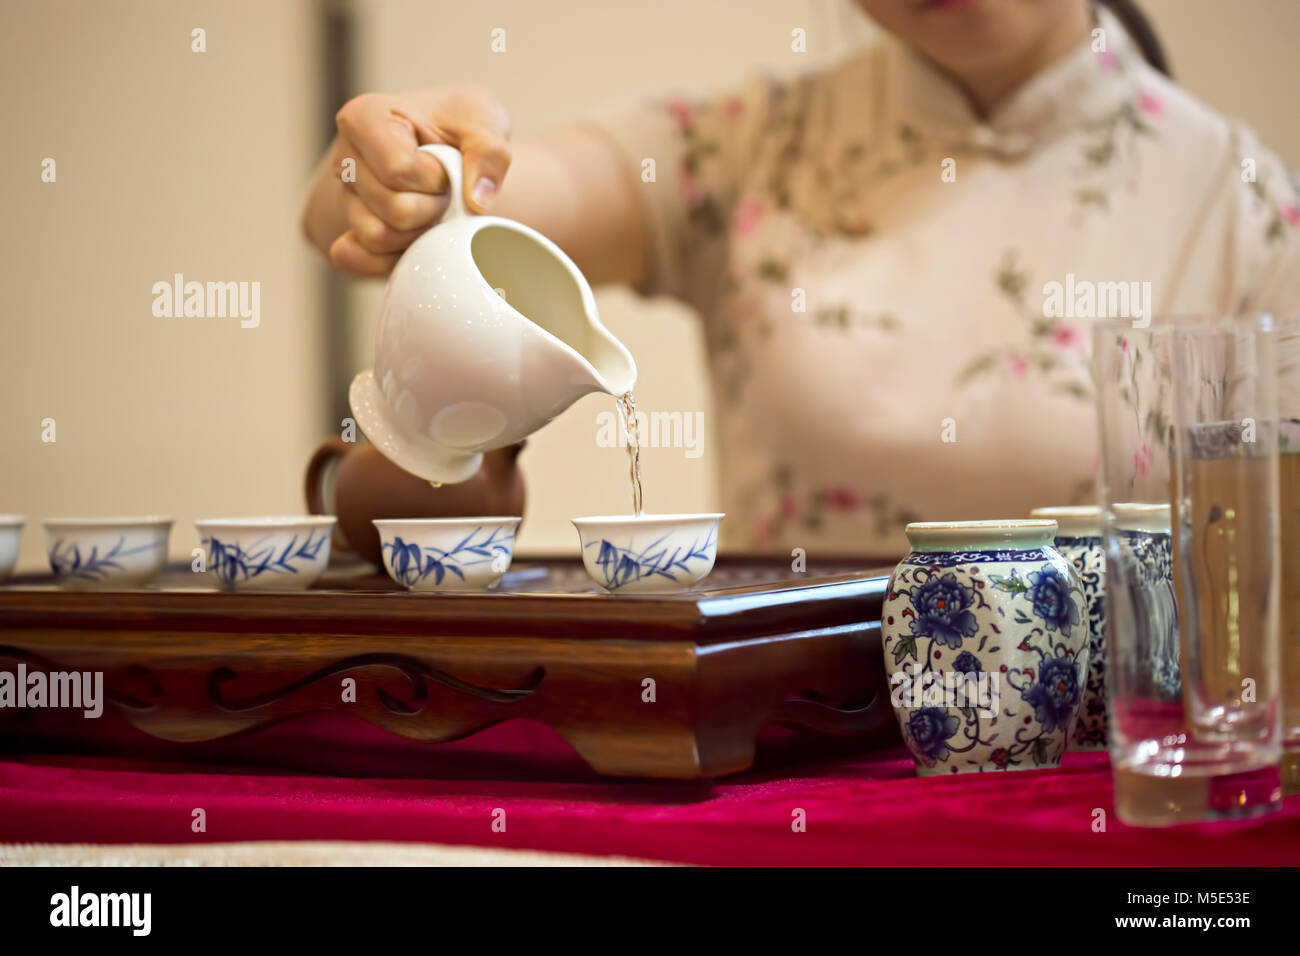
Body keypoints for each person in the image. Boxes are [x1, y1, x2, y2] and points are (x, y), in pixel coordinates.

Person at [301, 0, 1300, 555]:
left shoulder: (1235, 198)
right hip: (775, 759)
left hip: (1093, 787)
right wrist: (397, 165)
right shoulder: (749, 144)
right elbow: (486, 199)